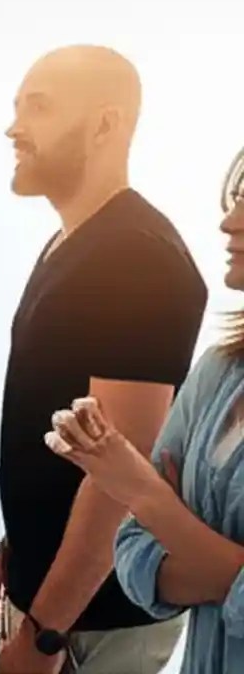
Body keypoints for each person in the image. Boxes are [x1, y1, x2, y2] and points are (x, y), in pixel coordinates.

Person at [0, 44, 207, 674]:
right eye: (17, 107)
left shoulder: (135, 256)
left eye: (38, 108)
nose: (14, 127)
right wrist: (15, 550)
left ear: (105, 124)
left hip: (93, 618)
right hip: (60, 602)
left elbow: (115, 478)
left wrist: (44, 635)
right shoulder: (71, 242)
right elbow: (55, 433)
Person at [44, 163, 244, 673]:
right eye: (237, 199)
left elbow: (146, 519)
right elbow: (134, 552)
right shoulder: (219, 371)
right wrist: (222, 567)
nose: (230, 222)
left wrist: (143, 491)